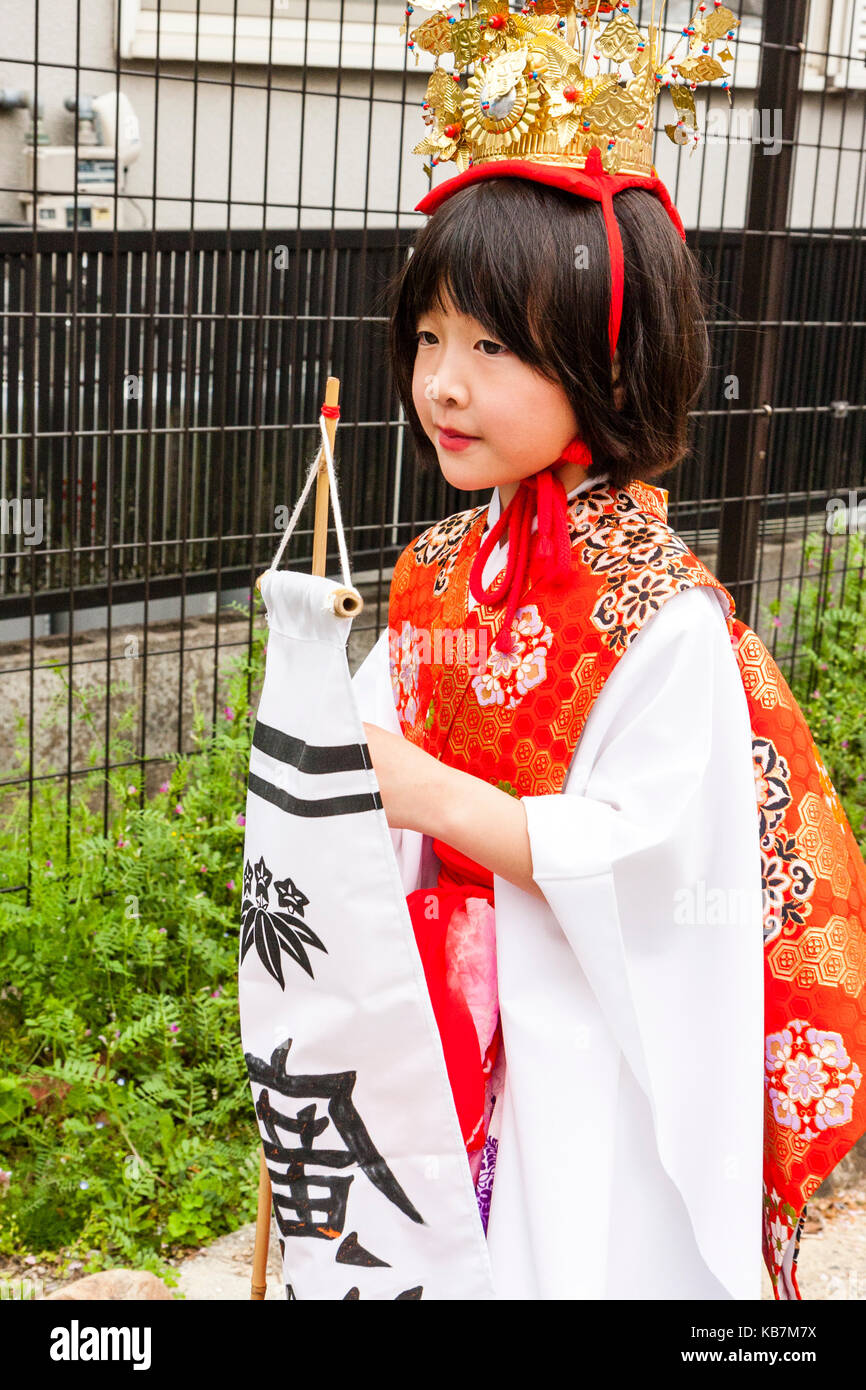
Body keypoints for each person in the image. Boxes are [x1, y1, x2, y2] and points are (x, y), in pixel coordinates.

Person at [350, 168, 766, 1300]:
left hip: (571, 1032)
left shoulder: (662, 612)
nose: (440, 382)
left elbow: (652, 860)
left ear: (612, 359)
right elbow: (362, 782)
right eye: (429, 336)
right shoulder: (434, 571)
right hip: (434, 1006)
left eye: (492, 349)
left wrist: (427, 796)